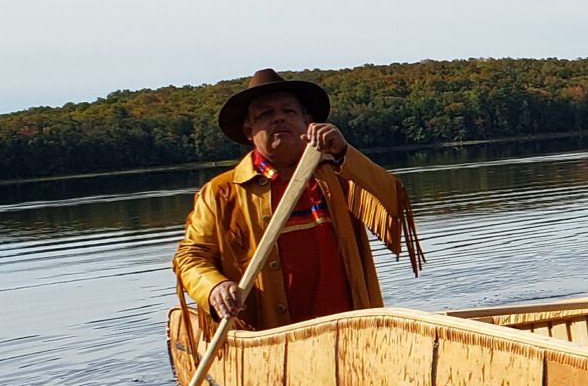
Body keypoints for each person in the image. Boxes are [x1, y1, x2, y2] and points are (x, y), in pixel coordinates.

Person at [174, 68, 423, 328]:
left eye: (288, 111)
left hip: (351, 334)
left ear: (308, 122)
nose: (278, 118)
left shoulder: (339, 174)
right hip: (271, 342)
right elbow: (190, 256)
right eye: (265, 114)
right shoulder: (220, 193)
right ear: (249, 129)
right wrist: (215, 287)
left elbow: (394, 202)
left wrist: (344, 153)